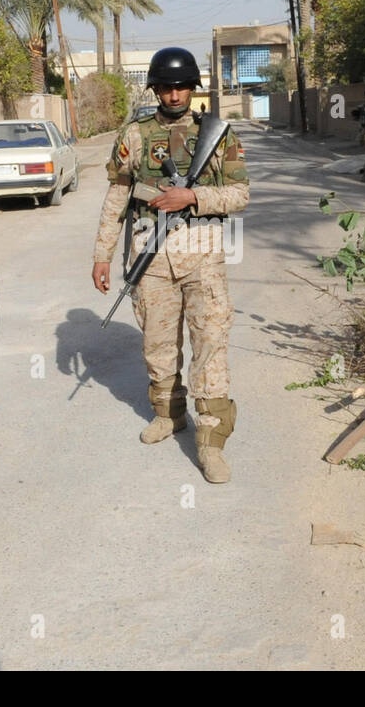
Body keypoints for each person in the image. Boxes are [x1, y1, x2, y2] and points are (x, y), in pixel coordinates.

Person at [91, 47, 249, 484]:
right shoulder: (136, 134)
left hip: (203, 255)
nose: (174, 93)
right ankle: (168, 414)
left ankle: (212, 442)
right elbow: (117, 196)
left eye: (181, 86)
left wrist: (193, 197)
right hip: (150, 255)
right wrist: (102, 255)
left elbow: (239, 195)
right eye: (166, 86)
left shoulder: (217, 134)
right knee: (158, 344)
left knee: (210, 344)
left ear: (193, 89)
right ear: (156, 89)